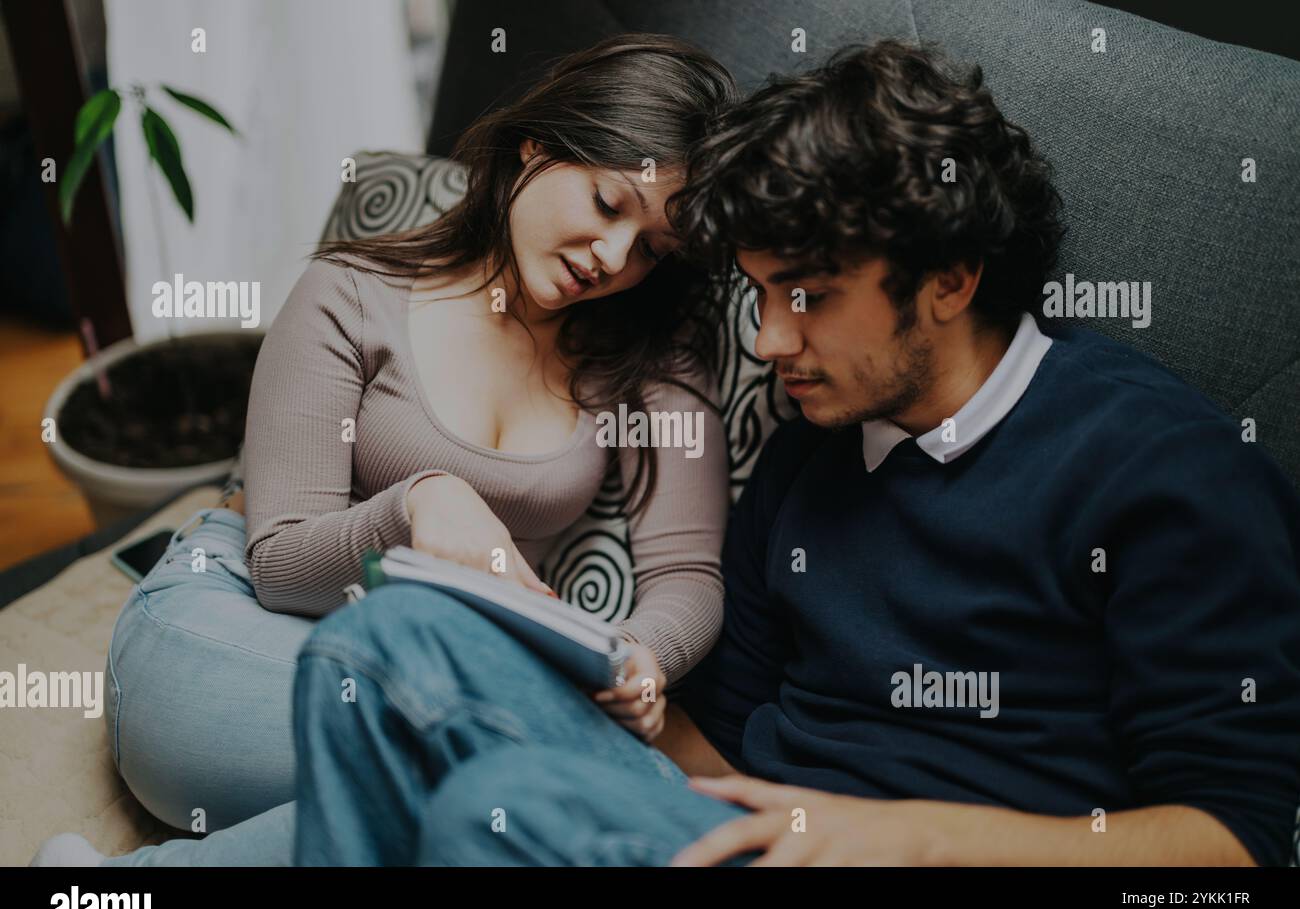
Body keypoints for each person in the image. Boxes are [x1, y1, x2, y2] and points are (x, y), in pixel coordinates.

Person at [285, 39, 1300, 866]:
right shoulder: (807, 448)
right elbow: (715, 744)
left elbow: (1237, 840)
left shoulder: (1165, 468)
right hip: (742, 819)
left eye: (806, 295)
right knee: (384, 641)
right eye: (759, 295)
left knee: (498, 808)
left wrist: (899, 835)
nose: (766, 342)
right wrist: (596, 671)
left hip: (928, 850)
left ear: (946, 280)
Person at [31, 33, 738, 866]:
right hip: (225, 631)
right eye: (608, 205)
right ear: (538, 146)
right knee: (490, 763)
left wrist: (643, 655)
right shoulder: (353, 296)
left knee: (477, 807)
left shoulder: (649, 356)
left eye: (652, 248)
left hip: (434, 683)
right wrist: (418, 504)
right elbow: (281, 562)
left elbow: (686, 575)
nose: (615, 259)